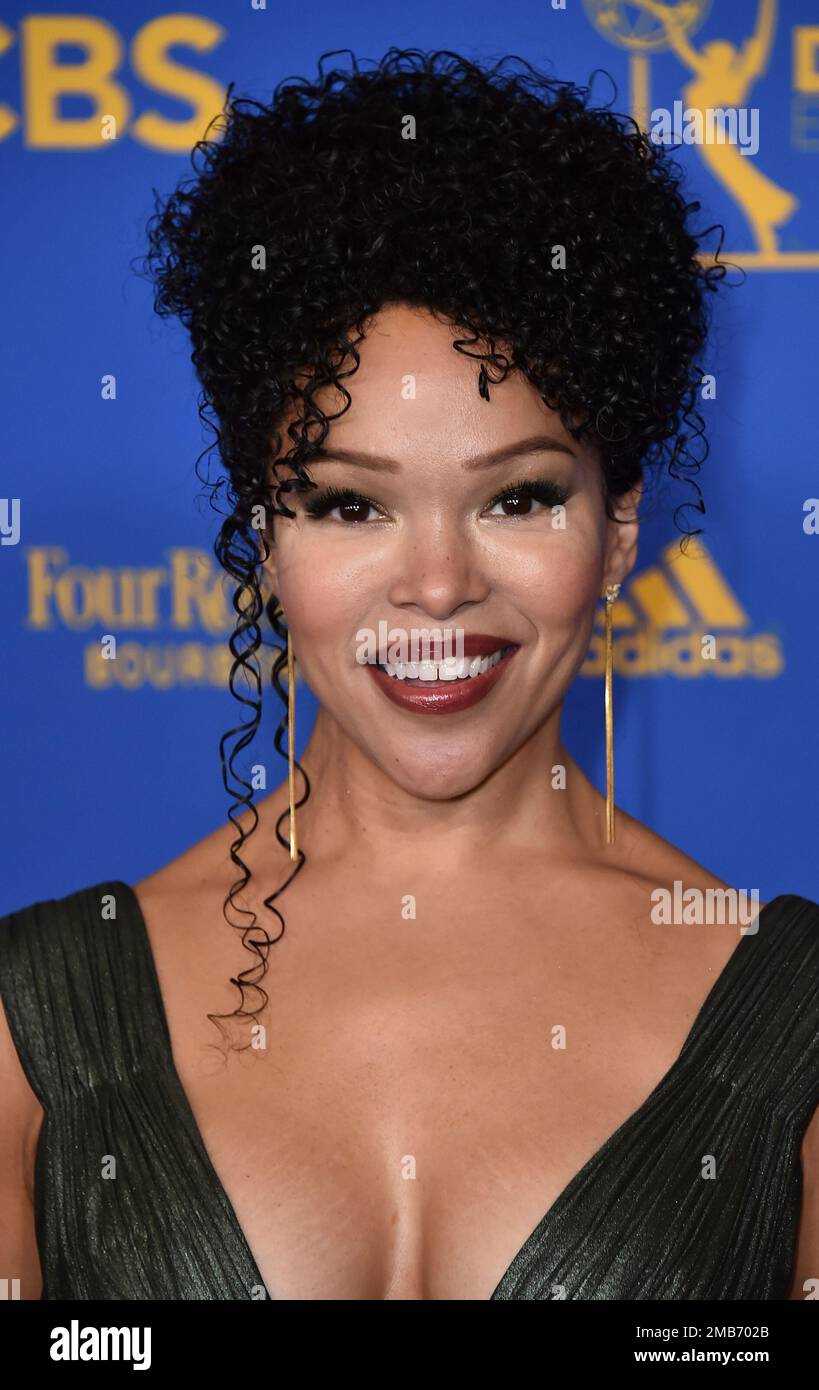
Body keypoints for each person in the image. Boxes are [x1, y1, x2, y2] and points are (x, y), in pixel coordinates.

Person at [1, 48, 817, 1302]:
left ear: (623, 533)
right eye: (348, 505)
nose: (437, 583)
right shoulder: (34, 1024)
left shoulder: (790, 1022)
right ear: (266, 539)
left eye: (521, 495)